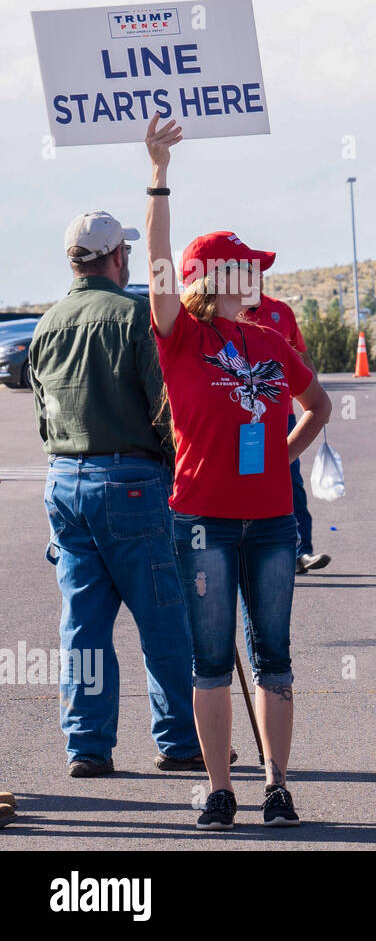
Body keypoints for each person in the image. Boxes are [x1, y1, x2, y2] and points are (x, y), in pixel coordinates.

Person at [144, 115, 331, 829]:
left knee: (275, 655)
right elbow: (159, 264)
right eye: (247, 263)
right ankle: (220, 789)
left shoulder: (267, 339)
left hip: (273, 522)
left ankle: (276, 785)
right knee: (210, 660)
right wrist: (159, 177)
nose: (259, 273)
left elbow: (318, 406)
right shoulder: (181, 336)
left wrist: (281, 458)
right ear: (212, 275)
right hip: (202, 523)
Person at [29, 209, 201, 778]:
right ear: (117, 257)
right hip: (130, 482)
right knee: (163, 619)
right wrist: (181, 470)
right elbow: (165, 410)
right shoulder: (133, 316)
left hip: (64, 481)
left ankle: (88, 745)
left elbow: (42, 416)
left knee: (83, 624)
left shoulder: (46, 324)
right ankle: (179, 739)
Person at [224, 245, 329, 576]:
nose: (259, 280)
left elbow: (302, 357)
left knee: (288, 481)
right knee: (236, 481)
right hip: (236, 419)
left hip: (279, 417)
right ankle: (240, 551)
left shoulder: (280, 313)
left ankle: (300, 552)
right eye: (251, 273)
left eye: (261, 274)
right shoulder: (220, 317)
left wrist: (308, 397)